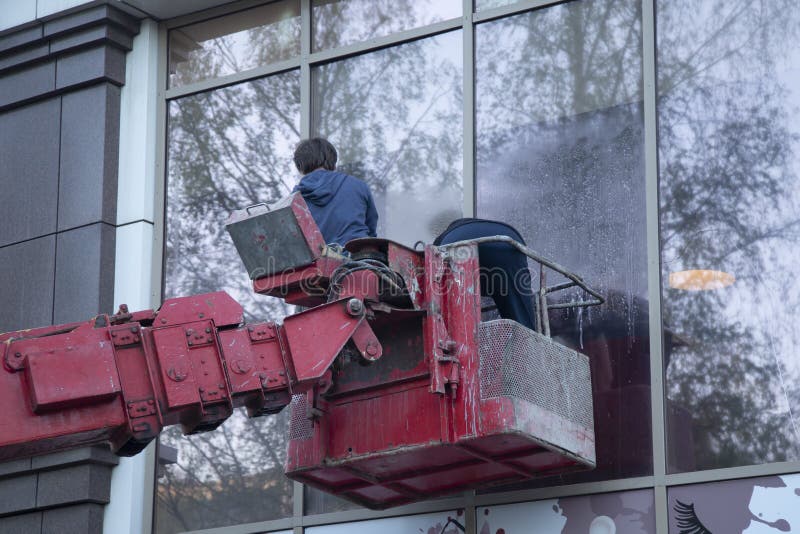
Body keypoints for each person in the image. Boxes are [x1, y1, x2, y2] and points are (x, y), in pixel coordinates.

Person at [434, 218, 536, 330]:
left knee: (449, 309)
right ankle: (527, 340)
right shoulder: (478, 224)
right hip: (508, 241)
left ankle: (454, 335)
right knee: (521, 317)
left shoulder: (443, 238)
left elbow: (432, 261)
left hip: (452, 242)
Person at [292, 138, 379, 247]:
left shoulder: (293, 201)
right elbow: (372, 232)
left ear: (300, 167)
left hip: (318, 262)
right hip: (357, 258)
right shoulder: (357, 186)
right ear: (333, 162)